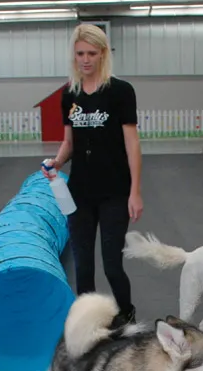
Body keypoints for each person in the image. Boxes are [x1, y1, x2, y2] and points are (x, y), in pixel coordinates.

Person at [42, 23, 143, 329]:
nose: (85, 59)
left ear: (102, 54)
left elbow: (132, 143)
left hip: (114, 191)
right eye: (80, 54)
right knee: (83, 266)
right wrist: (57, 162)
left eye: (91, 53)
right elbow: (69, 142)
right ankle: (88, 321)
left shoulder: (120, 92)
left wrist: (135, 191)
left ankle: (126, 313)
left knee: (112, 265)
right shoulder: (69, 94)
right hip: (80, 193)